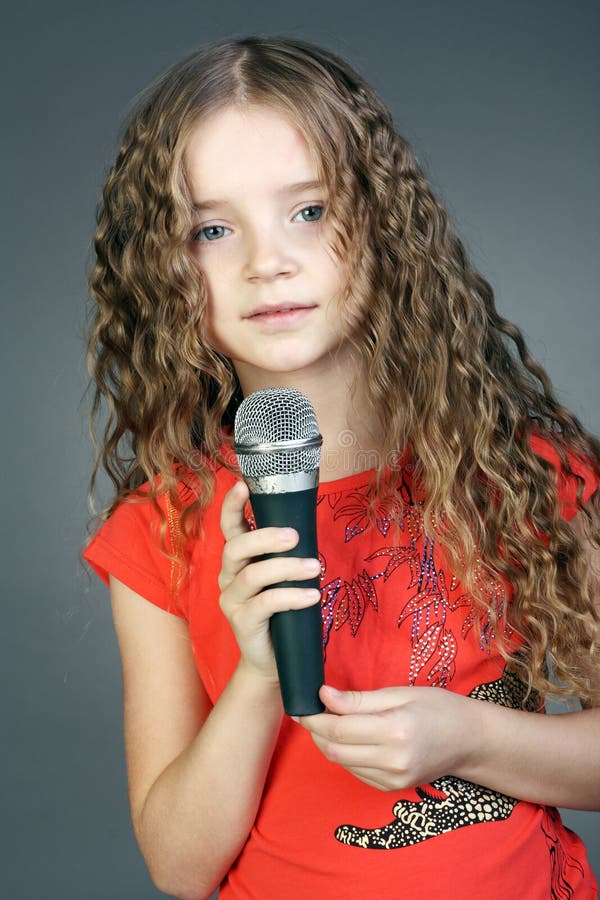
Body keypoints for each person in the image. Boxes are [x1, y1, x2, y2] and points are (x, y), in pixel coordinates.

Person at [81, 34, 600, 900]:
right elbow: (178, 865)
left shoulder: (525, 475)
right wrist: (257, 672)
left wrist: (469, 739)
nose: (267, 260)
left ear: (384, 223)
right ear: (166, 270)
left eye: (309, 211)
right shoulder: (158, 532)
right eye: (213, 228)